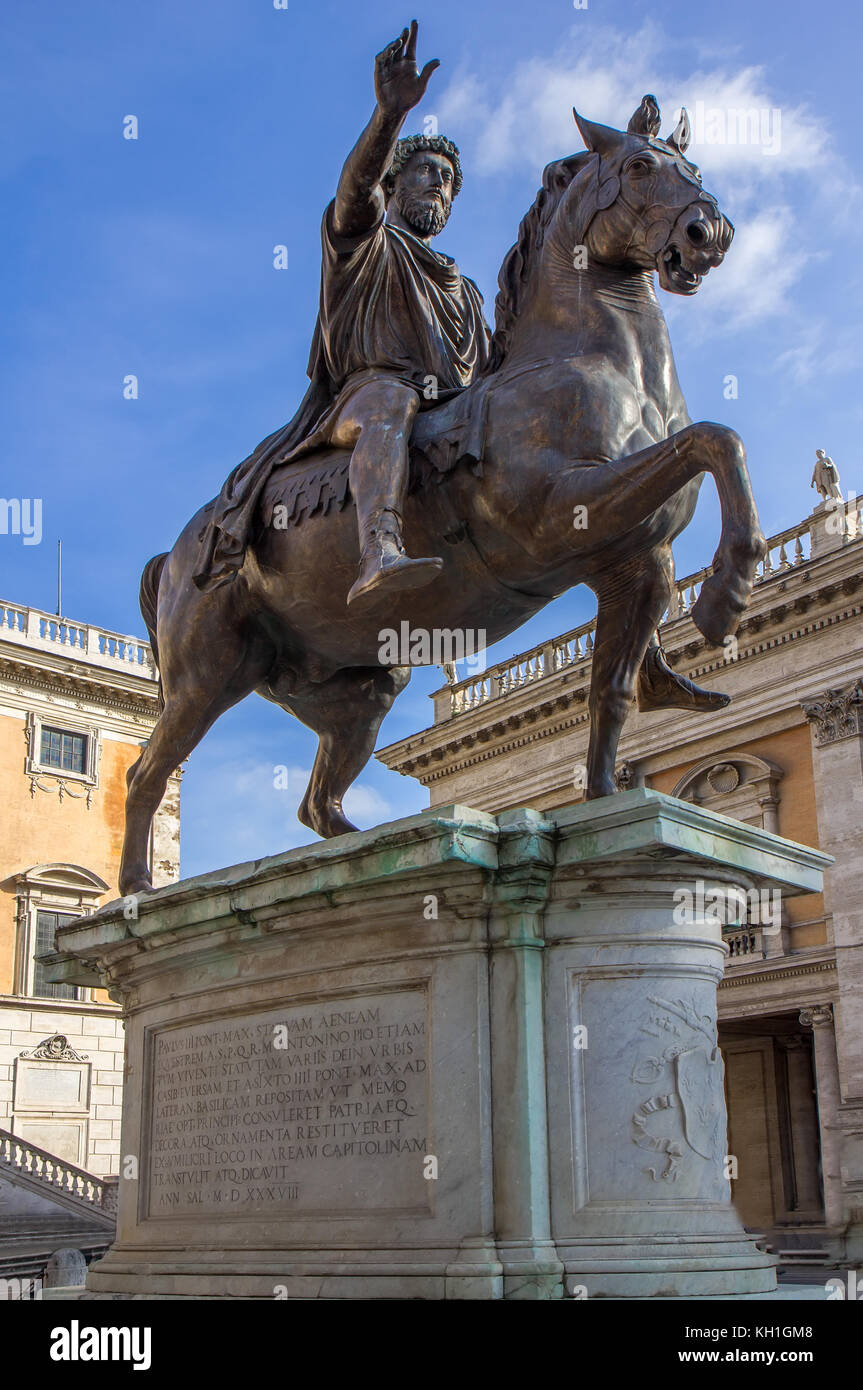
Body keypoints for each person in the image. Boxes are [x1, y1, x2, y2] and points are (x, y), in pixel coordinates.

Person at [193, 21, 490, 605]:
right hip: (363, 394)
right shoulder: (364, 242)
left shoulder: (465, 289)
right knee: (391, 403)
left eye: (450, 181)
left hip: (449, 403)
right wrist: (391, 116)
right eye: (427, 171)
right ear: (396, 181)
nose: (440, 185)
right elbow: (355, 192)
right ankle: (378, 544)